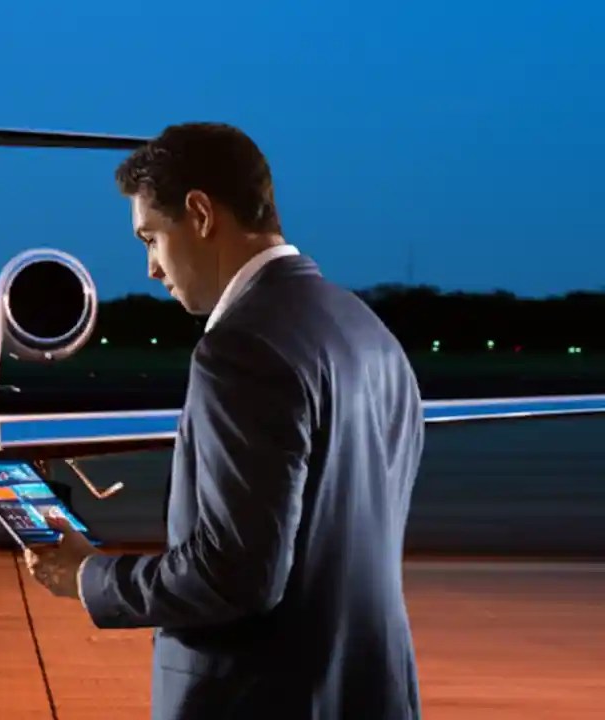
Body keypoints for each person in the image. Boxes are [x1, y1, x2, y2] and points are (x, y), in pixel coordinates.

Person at [24, 122, 425, 719]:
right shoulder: (370, 333)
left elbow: (235, 575)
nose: (151, 269)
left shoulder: (240, 348)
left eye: (151, 239)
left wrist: (91, 576)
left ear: (201, 214)